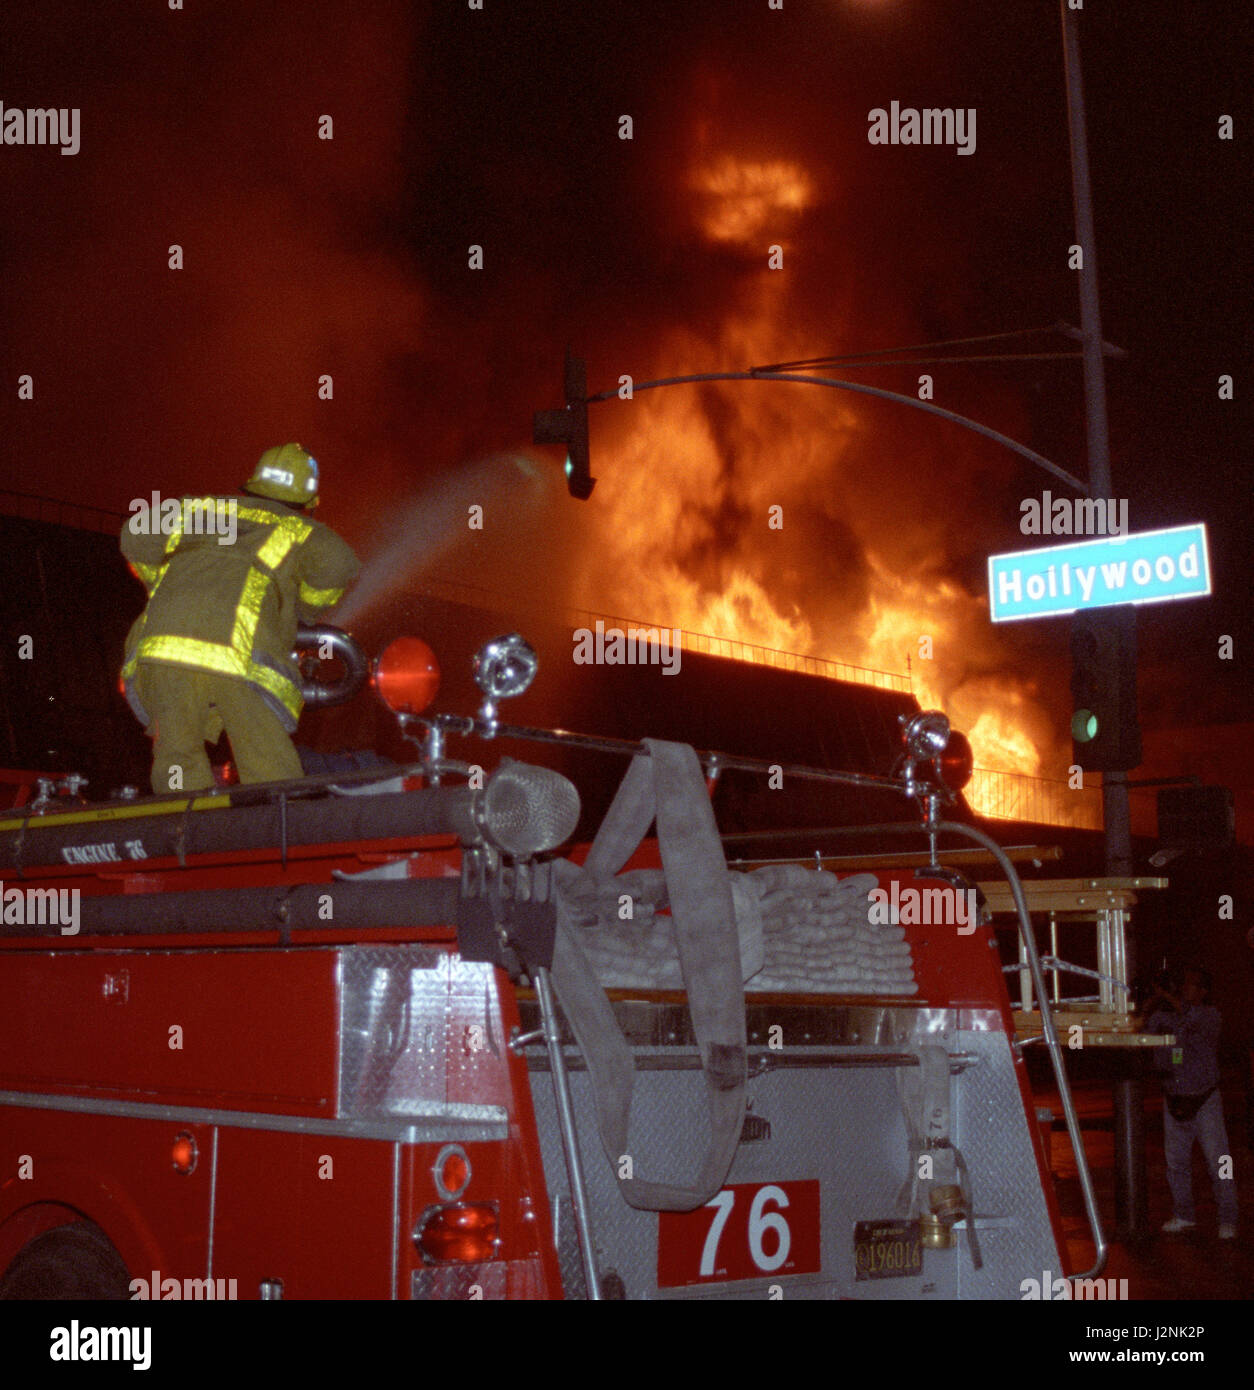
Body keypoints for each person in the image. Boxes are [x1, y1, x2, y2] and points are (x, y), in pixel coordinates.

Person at [120, 443, 360, 793]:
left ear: (253, 483)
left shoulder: (202, 509)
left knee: (176, 755)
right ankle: (279, 831)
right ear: (308, 503)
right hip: (238, 658)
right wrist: (304, 609)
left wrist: (163, 584)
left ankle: (187, 833)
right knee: (266, 760)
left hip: (165, 650)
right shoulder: (300, 529)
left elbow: (133, 534)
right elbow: (341, 564)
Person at [1144, 967, 1238, 1239]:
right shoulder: (1165, 1017)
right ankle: (1184, 1214)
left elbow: (1194, 1019)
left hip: (1204, 1098)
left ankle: (1228, 1219)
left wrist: (1172, 998)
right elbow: (1143, 1028)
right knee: (1176, 1164)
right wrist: (1153, 999)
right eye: (1182, 984)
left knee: (1219, 1161)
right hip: (1174, 1098)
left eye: (1191, 985)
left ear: (1203, 991)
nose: (1184, 988)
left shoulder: (1210, 1016)